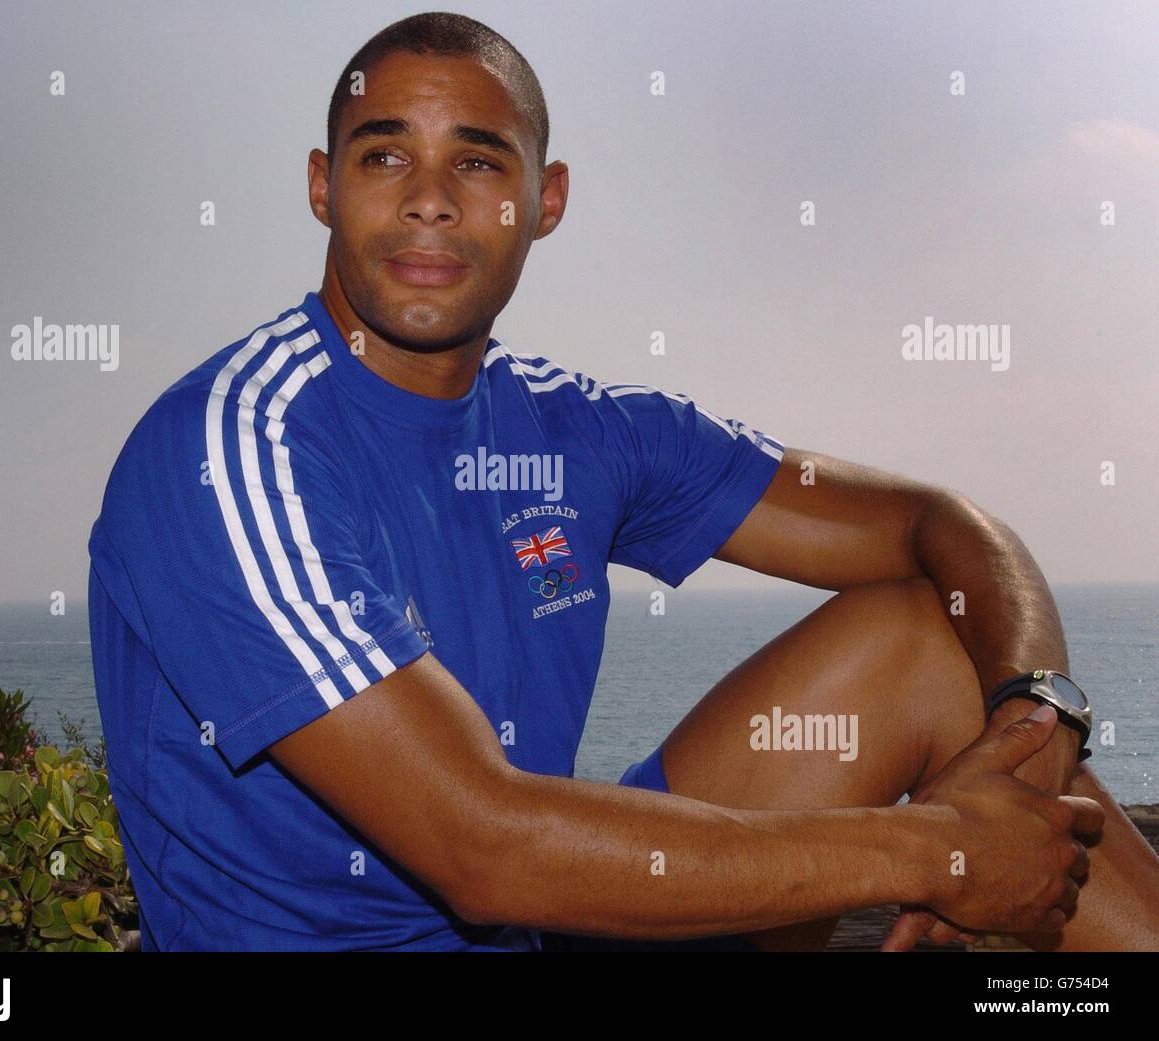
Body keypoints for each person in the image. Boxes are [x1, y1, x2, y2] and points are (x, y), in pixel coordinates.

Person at [85, 12, 1159, 952]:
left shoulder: (579, 427)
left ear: (543, 201)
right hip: (477, 891)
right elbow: (481, 848)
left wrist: (1035, 715)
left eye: (477, 162)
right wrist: (940, 854)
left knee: (927, 651)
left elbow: (938, 525)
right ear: (321, 187)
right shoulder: (234, 446)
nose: (427, 203)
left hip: (547, 931)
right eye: (381, 158)